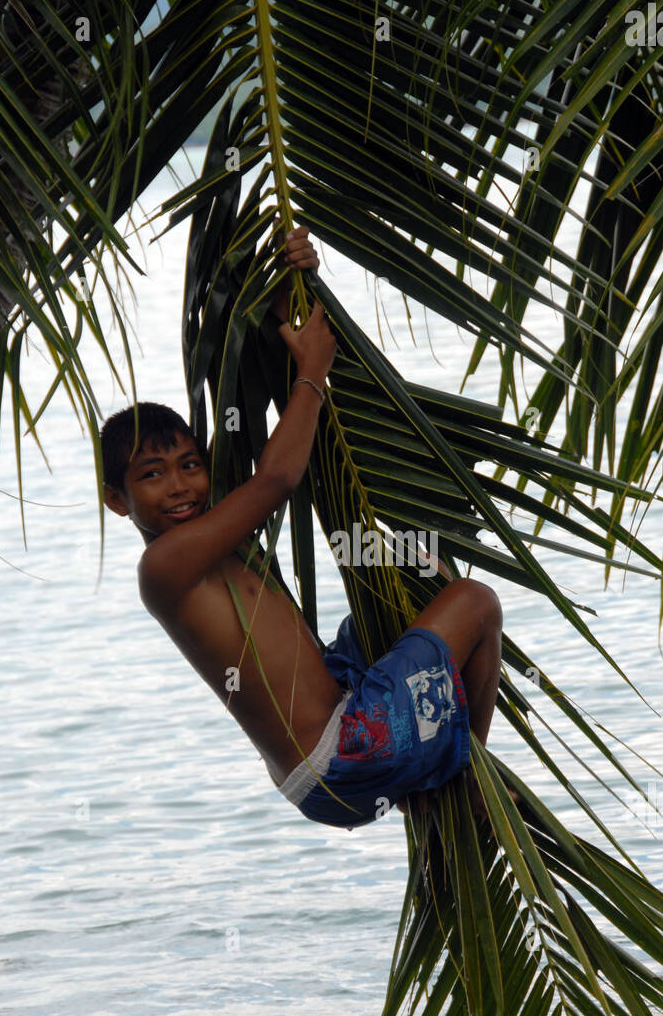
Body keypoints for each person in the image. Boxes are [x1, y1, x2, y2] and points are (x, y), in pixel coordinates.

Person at [101, 228, 503, 828]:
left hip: (340, 707)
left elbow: (265, 422)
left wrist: (287, 289)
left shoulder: (212, 530)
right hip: (337, 757)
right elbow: (276, 478)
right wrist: (315, 367)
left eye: (189, 465)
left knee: (420, 571)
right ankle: (470, 773)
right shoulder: (162, 569)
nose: (180, 485)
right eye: (152, 475)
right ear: (117, 501)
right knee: (476, 601)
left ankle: (437, 762)